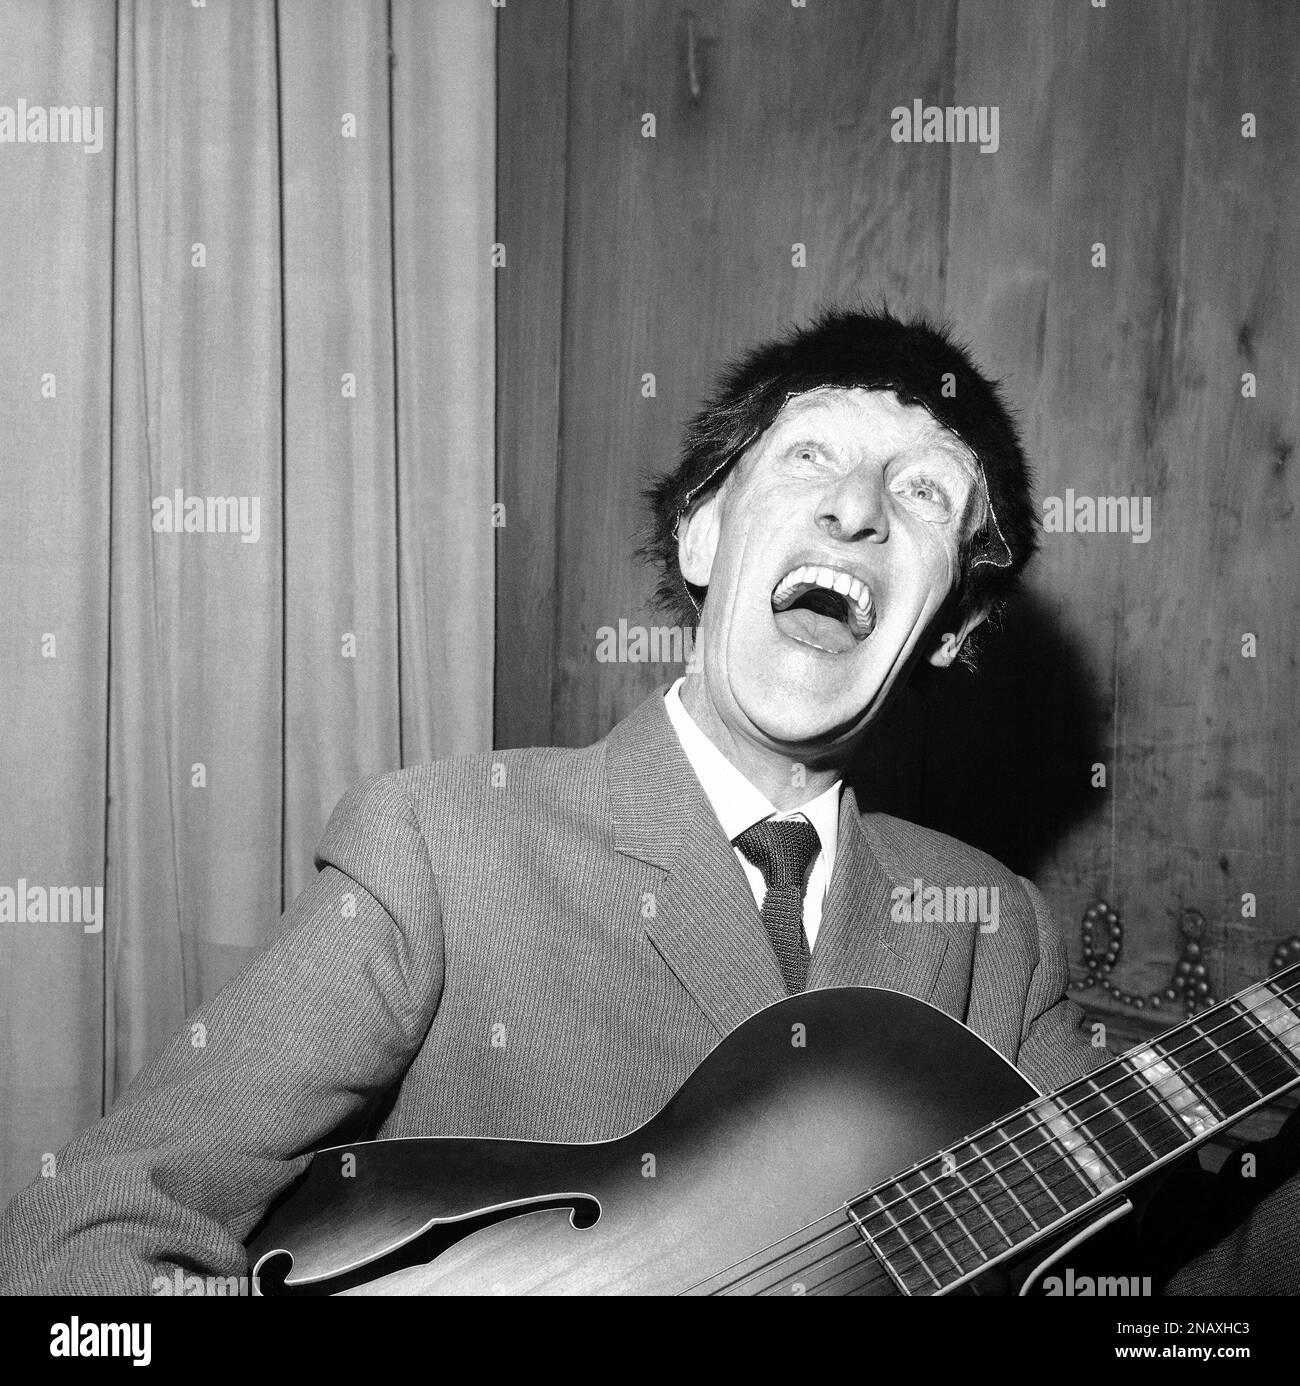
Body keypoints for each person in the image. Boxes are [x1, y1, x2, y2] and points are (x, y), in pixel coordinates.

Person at [1, 307, 1296, 1296]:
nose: (856, 507)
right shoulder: (447, 841)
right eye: (811, 458)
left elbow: (1167, 1266)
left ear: (950, 624)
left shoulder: (993, 928)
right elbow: (98, 1222)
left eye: (921, 494)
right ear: (701, 538)